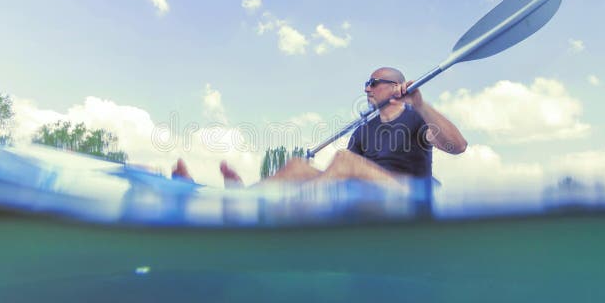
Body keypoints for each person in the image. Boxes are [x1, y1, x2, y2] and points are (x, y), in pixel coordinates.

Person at [172, 67, 467, 190]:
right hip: (369, 196)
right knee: (298, 166)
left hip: (407, 196)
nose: (366, 88)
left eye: (373, 83)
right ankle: (245, 198)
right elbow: (339, 177)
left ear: (394, 86)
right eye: (366, 84)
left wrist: (420, 103)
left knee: (343, 161)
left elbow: (458, 146)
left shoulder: (417, 118)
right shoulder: (363, 131)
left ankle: (279, 212)